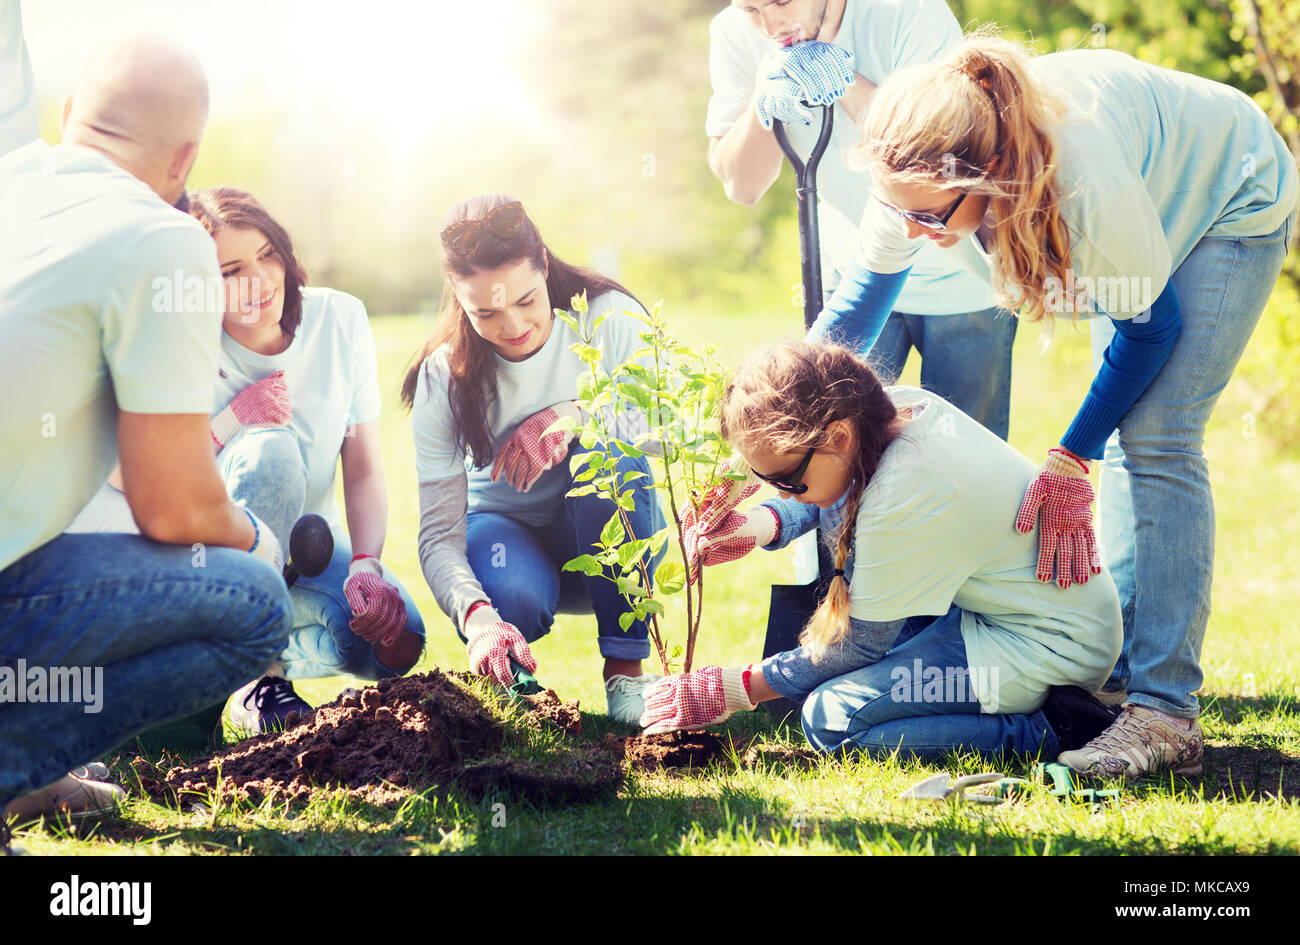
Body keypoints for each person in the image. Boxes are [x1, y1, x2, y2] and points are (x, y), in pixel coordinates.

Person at [802, 34, 1299, 778]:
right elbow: (858, 306)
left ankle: (1163, 711)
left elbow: (1150, 327)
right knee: (1134, 425)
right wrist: (772, 416)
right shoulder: (914, 171)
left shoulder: (1083, 182)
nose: (914, 232)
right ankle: (1118, 675)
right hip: (1140, 202)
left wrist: (1071, 455)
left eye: (933, 219)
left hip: (1229, 192)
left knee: (1155, 436)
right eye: (901, 213)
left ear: (992, 175)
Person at [0, 35, 293, 835]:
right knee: (254, 603)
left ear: (69, 117)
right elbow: (172, 505)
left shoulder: (12, 184)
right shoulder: (162, 241)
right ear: (184, 161)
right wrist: (259, 537)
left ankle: (30, 773)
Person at [641, 340, 1124, 764]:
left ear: (838, 438)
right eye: (767, 480)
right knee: (841, 687)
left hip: (1049, 647)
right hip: (1013, 615)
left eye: (785, 480)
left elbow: (859, 645)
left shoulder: (906, 493)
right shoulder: (894, 410)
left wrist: (734, 688)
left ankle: (1048, 728)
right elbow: (831, 487)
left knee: (832, 718)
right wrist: (756, 520)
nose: (782, 493)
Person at [69, 187, 426, 734]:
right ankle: (262, 675)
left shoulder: (340, 319)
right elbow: (123, 473)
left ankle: (228, 669)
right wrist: (234, 418)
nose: (259, 280)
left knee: (395, 641)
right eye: (230, 270)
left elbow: (363, 465)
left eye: (267, 254)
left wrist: (366, 565)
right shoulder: (179, 344)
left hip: (299, 558)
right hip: (207, 562)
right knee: (270, 449)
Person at [403, 194, 666, 724]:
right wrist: (477, 618)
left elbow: (669, 433)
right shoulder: (443, 375)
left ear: (544, 265)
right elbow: (438, 536)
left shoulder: (608, 318)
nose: (513, 326)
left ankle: (626, 680)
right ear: (457, 296)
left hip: (612, 539)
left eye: (526, 299)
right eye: (486, 312)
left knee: (607, 457)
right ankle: (517, 689)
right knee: (509, 594)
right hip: (509, 542)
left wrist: (575, 415)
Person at [706, 0, 1017, 441]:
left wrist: (844, 80)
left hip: (961, 274)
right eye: (753, 9)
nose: (771, 25)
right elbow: (742, 186)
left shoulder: (909, 12)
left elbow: (939, 156)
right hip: (857, 268)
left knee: (966, 451)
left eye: (781, 2)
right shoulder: (736, 33)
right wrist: (763, 97)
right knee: (843, 449)